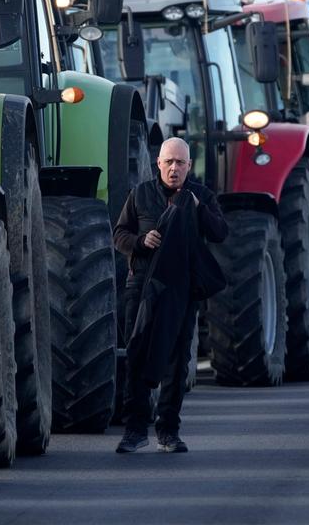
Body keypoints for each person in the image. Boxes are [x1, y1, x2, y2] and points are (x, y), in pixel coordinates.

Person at [112, 137, 227, 454]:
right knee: (136, 354)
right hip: (143, 287)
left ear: (189, 166)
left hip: (182, 290)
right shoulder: (140, 194)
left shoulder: (200, 196)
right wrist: (140, 241)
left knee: (177, 362)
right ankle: (135, 430)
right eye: (169, 162)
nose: (174, 168)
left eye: (180, 163)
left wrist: (199, 210)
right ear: (158, 164)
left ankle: (168, 431)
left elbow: (220, 232)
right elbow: (119, 234)